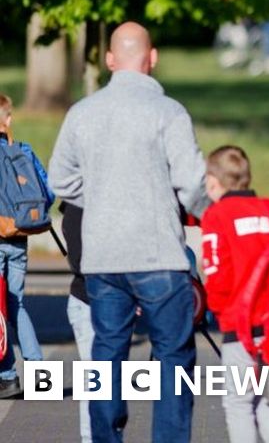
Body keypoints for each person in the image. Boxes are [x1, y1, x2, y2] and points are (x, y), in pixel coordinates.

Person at [49, 22, 209, 443]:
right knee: (174, 359)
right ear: (152, 58)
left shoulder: (82, 114)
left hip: (103, 259)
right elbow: (193, 184)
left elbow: (60, 182)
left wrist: (103, 194)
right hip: (159, 260)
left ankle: (106, 438)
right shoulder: (168, 112)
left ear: (109, 60)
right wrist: (209, 218)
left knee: (107, 357)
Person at [200, 145, 269, 443]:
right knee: (254, 397)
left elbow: (217, 273)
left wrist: (213, 308)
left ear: (213, 181)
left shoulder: (217, 215)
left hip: (239, 324)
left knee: (237, 404)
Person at [0, 94, 53, 399]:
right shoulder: (24, 151)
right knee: (17, 304)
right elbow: (48, 192)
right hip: (20, 237)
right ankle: (41, 378)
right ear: (8, 120)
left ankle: (7, 377)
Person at [61, 201, 96, 442]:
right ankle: (90, 436)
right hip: (89, 301)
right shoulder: (81, 206)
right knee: (95, 377)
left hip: (90, 300)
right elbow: (82, 262)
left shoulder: (76, 206)